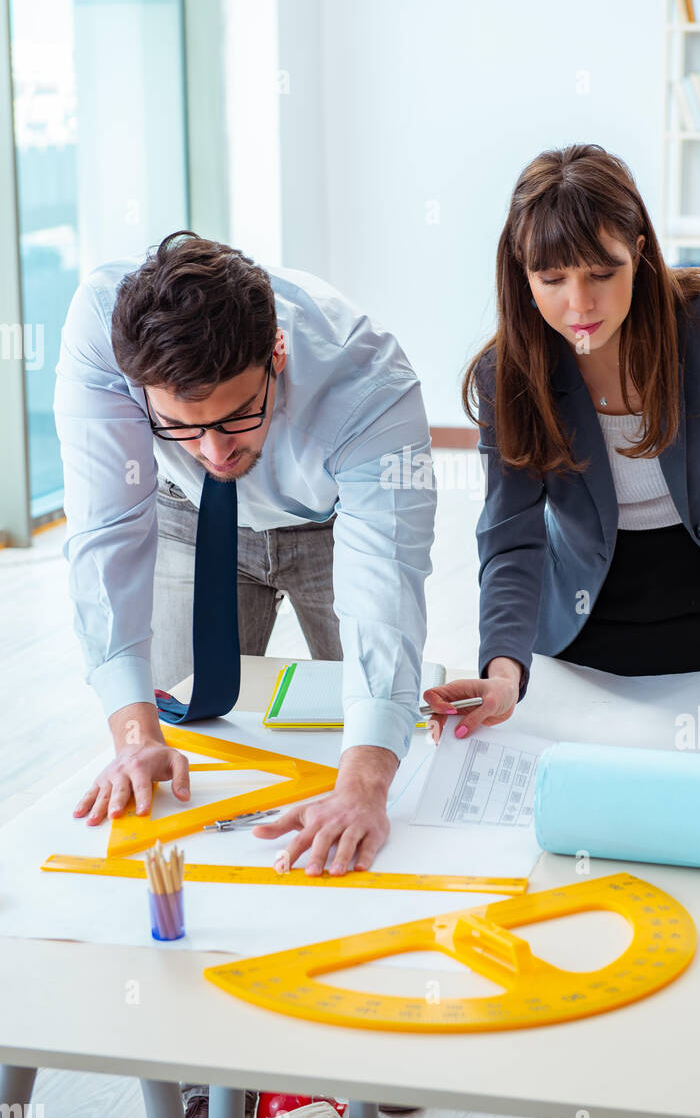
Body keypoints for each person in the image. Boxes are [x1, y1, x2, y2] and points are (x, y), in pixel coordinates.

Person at [425, 144, 700, 743]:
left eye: (602, 274)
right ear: (522, 273)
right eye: (552, 279)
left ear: (638, 251)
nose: (580, 305)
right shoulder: (507, 378)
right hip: (590, 627)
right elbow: (511, 537)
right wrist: (503, 671)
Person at [55, 231, 436, 872]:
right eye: (180, 425)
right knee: (179, 725)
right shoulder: (101, 329)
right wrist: (135, 736)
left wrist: (364, 788)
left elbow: (387, 585)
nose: (214, 451)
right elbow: (105, 534)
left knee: (374, 725)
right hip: (188, 510)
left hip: (329, 521)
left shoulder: (372, 389)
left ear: (277, 354)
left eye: (235, 415)